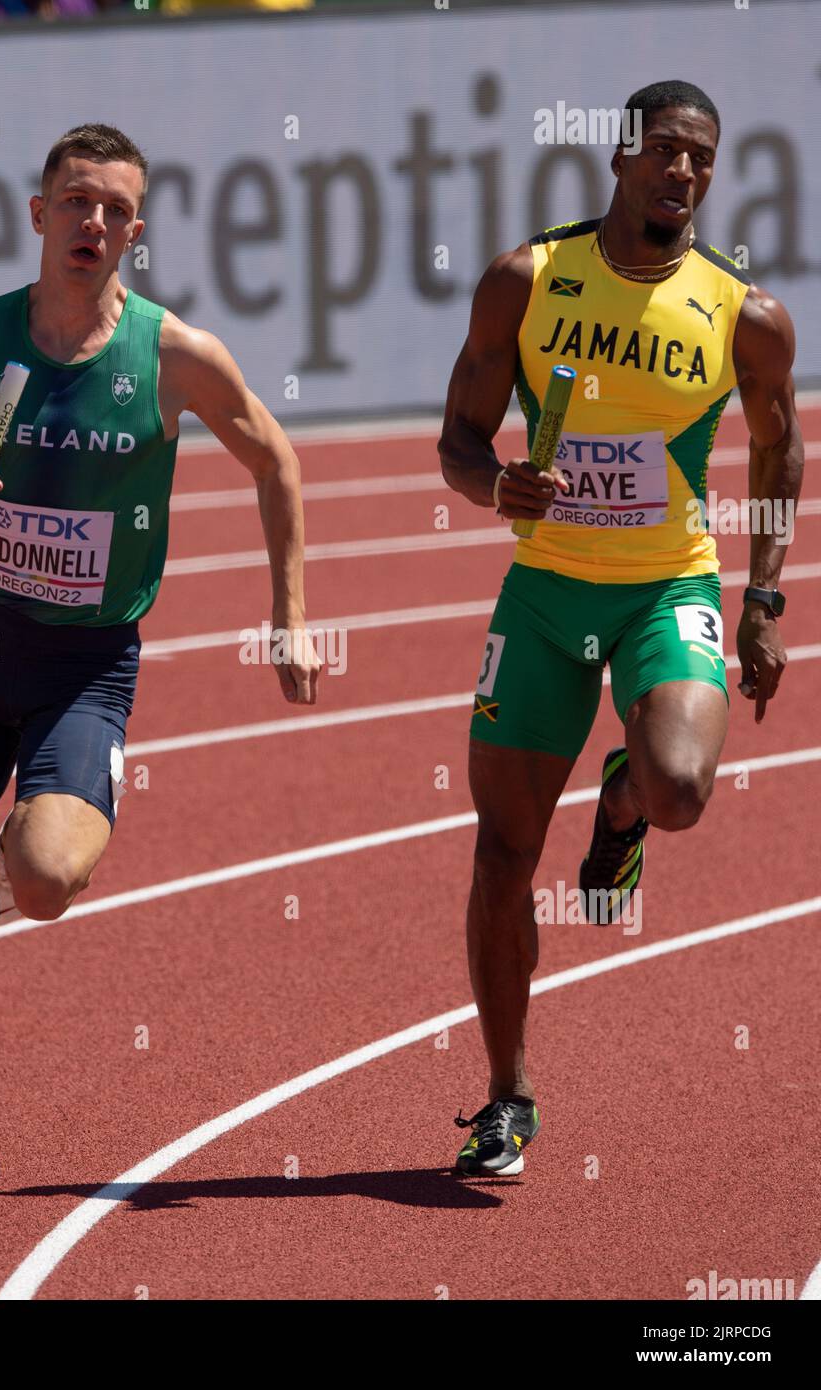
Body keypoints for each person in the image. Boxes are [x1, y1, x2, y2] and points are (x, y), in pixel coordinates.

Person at [0, 123, 319, 1180]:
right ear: (38, 215)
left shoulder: (175, 355)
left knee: (47, 880)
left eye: (113, 208)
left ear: (135, 233)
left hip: (86, 665)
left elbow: (275, 459)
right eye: (75, 201)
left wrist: (289, 611)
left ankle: (38, 808)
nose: (92, 221)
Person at [437, 80, 801, 1178]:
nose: (684, 173)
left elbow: (780, 449)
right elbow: (459, 433)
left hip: (665, 586)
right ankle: (507, 1093)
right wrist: (496, 485)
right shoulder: (529, 280)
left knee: (683, 787)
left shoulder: (745, 311)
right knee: (503, 852)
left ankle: (627, 797)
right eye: (667, 153)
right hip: (544, 593)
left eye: (703, 157)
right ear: (621, 157)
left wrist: (766, 595)